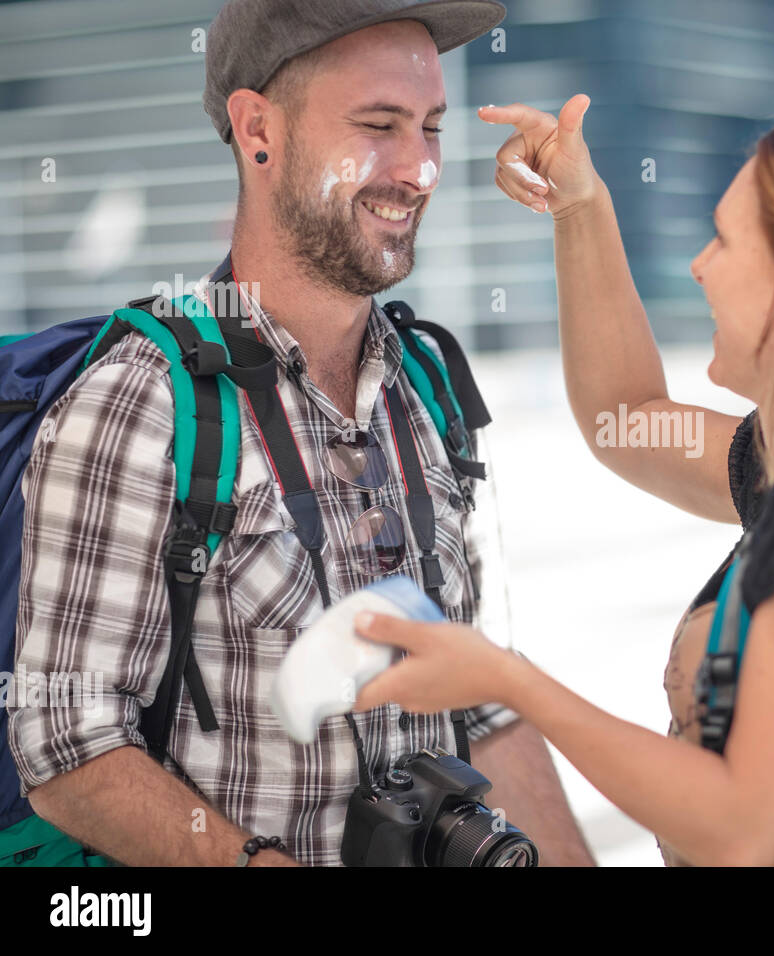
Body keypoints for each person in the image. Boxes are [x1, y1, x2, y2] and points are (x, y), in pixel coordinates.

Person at [8, 0, 594, 867]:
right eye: (379, 125)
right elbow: (65, 746)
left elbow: (485, 704)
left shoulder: (426, 389)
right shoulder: (142, 404)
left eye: (430, 126)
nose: (421, 169)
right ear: (258, 132)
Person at [350, 99, 774, 865]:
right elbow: (627, 417)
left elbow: (746, 827)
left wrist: (505, 680)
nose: (700, 263)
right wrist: (581, 206)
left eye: (724, 239)